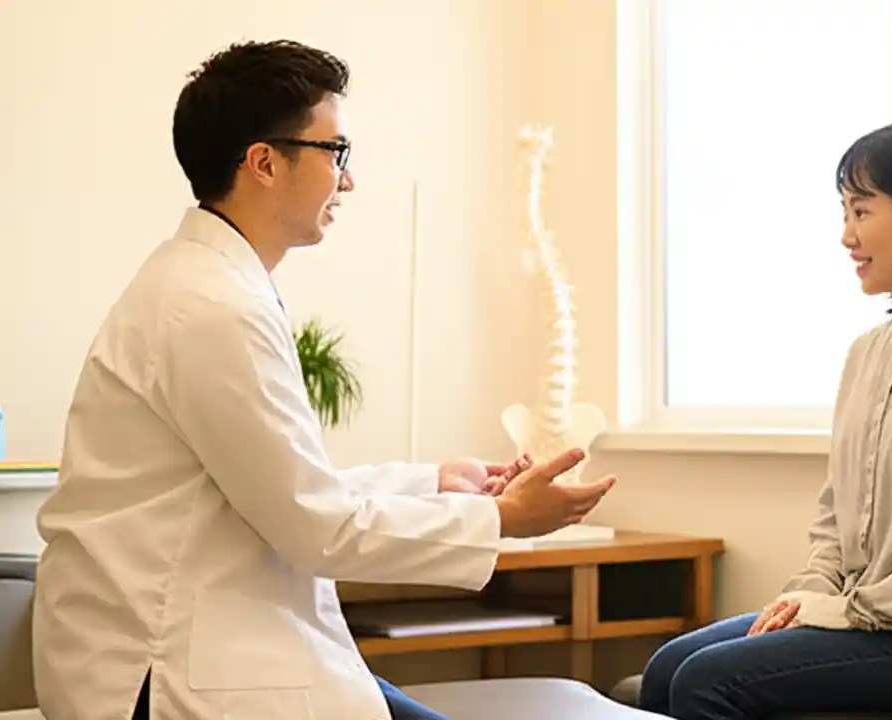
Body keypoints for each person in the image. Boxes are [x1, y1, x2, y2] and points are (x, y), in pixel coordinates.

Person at [31, 39, 616, 720]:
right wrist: (501, 518)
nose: (349, 179)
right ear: (264, 162)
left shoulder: (212, 285)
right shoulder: (211, 308)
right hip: (161, 673)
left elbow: (281, 491)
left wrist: (436, 484)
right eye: (336, 152)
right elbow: (313, 525)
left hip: (204, 641)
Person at [637, 117, 892, 719]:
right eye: (845, 213)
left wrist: (846, 612)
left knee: (707, 682)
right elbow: (836, 518)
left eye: (861, 211)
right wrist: (809, 597)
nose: (846, 236)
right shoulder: (868, 352)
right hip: (865, 618)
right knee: (667, 669)